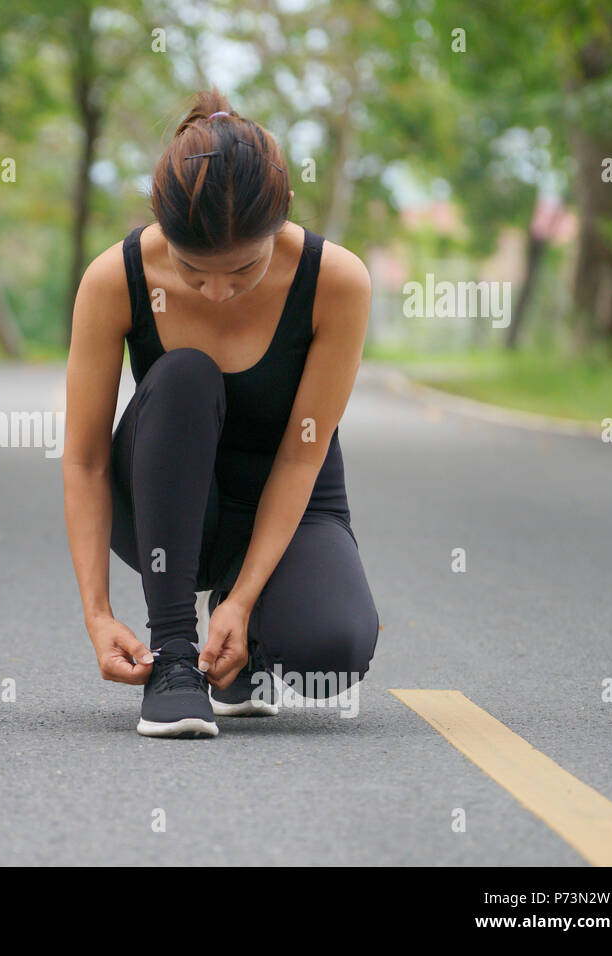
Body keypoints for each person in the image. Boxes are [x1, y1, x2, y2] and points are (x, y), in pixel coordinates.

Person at [62, 89, 381, 738]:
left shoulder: (335, 282)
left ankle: (242, 644)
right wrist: (97, 614)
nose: (217, 292)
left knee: (335, 647)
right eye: (192, 270)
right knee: (183, 374)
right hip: (162, 508)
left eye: (241, 270)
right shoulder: (114, 278)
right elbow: (87, 459)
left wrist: (241, 600)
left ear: (284, 213)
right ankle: (176, 658)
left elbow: (302, 453)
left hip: (286, 495)